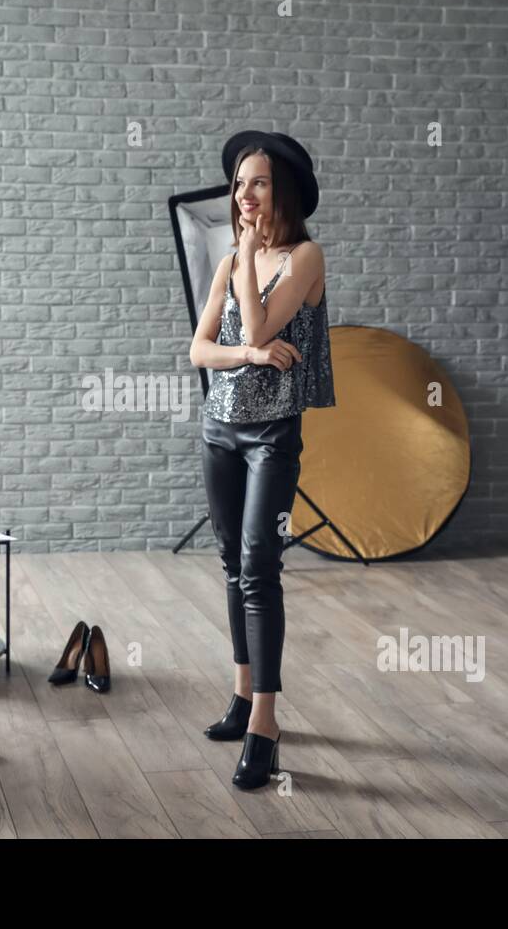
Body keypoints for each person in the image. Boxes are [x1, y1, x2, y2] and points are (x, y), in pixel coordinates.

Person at [188, 130, 335, 790]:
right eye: (239, 183)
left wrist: (246, 258)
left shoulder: (304, 256)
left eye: (259, 183)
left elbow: (256, 326)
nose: (244, 195)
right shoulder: (229, 261)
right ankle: (243, 694)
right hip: (219, 430)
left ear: (286, 192)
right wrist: (247, 356)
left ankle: (266, 724)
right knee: (230, 563)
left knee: (259, 568)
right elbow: (202, 350)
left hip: (273, 434)